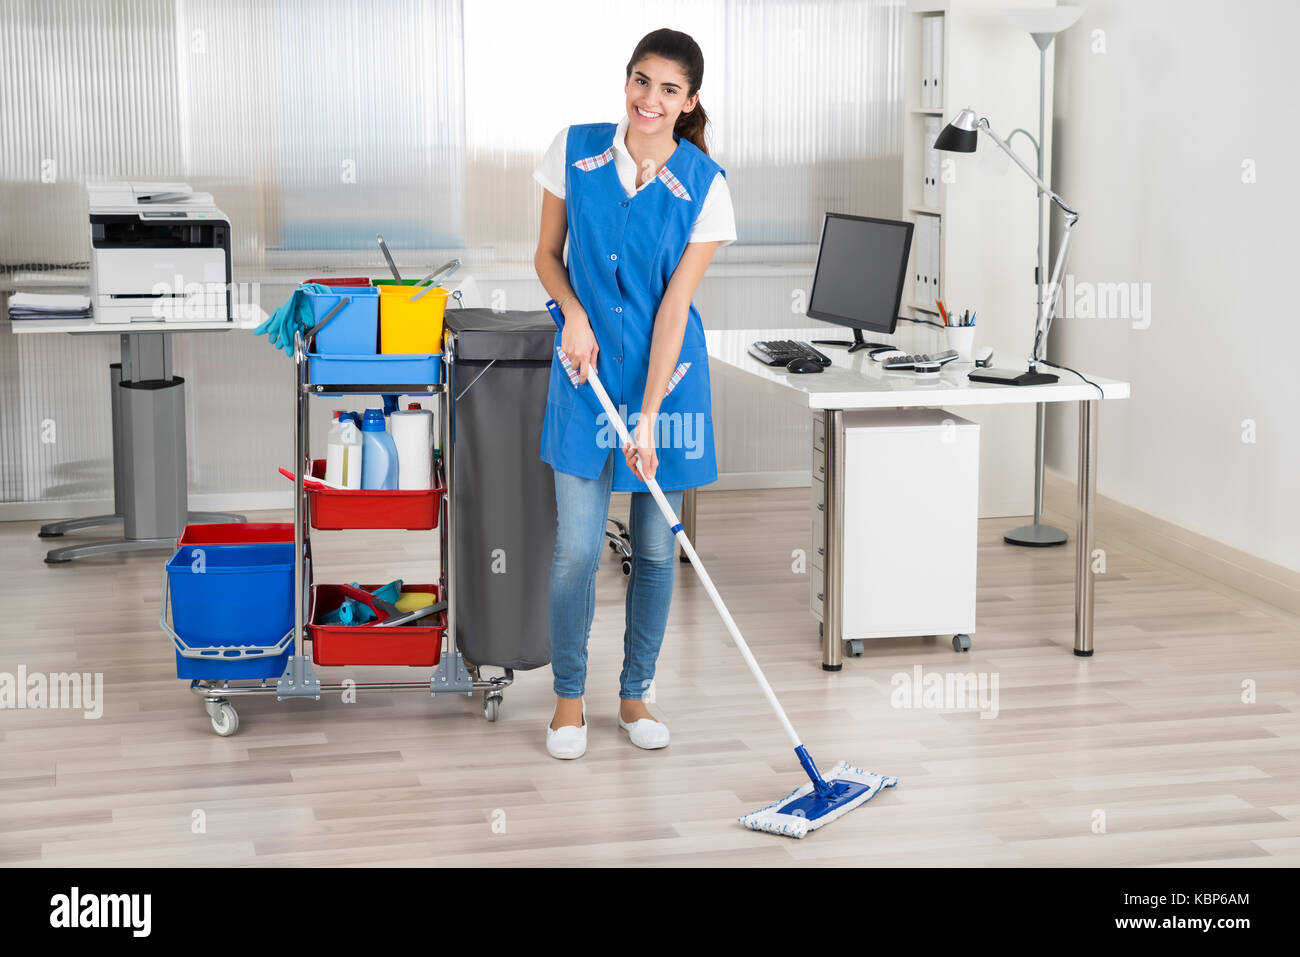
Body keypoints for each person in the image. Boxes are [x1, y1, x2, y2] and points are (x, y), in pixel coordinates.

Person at [531, 27, 736, 759]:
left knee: (654, 550)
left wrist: (650, 419)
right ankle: (567, 700)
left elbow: (674, 310)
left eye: (669, 89)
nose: (651, 100)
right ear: (626, 81)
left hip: (668, 388)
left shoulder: (705, 188)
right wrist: (575, 316)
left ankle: (636, 692)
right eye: (641, 81)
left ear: (690, 102)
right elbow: (545, 257)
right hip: (585, 377)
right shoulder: (574, 151)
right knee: (578, 551)